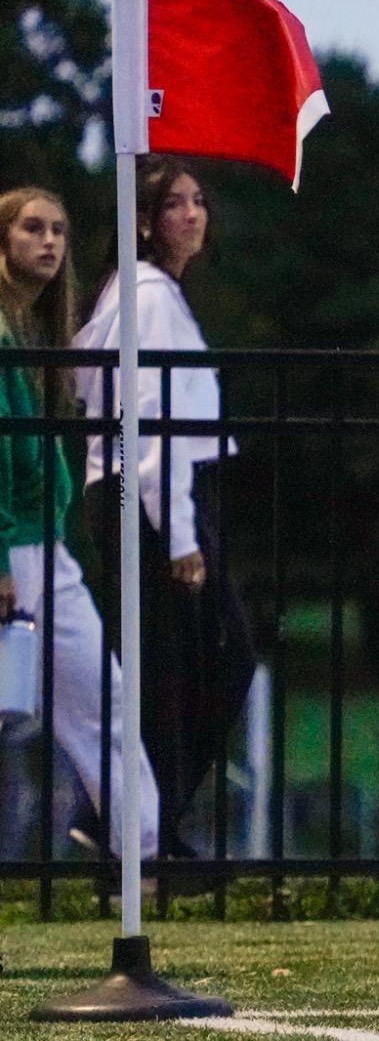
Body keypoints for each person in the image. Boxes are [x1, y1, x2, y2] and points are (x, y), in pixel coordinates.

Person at [73, 157, 258, 859]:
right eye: (174, 203)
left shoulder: (138, 293)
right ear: (144, 223)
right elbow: (149, 418)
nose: (193, 213)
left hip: (135, 488)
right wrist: (179, 531)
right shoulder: (147, 294)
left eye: (199, 201)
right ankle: (134, 822)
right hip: (149, 490)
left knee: (171, 663)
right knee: (208, 657)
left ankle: (142, 822)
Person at [0, 185, 161, 860]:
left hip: (43, 544)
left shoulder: (29, 331)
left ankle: (144, 855)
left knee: (102, 700)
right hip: (18, 549)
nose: (50, 242)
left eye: (60, 231)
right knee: (94, 702)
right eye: (33, 228)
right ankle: (144, 854)